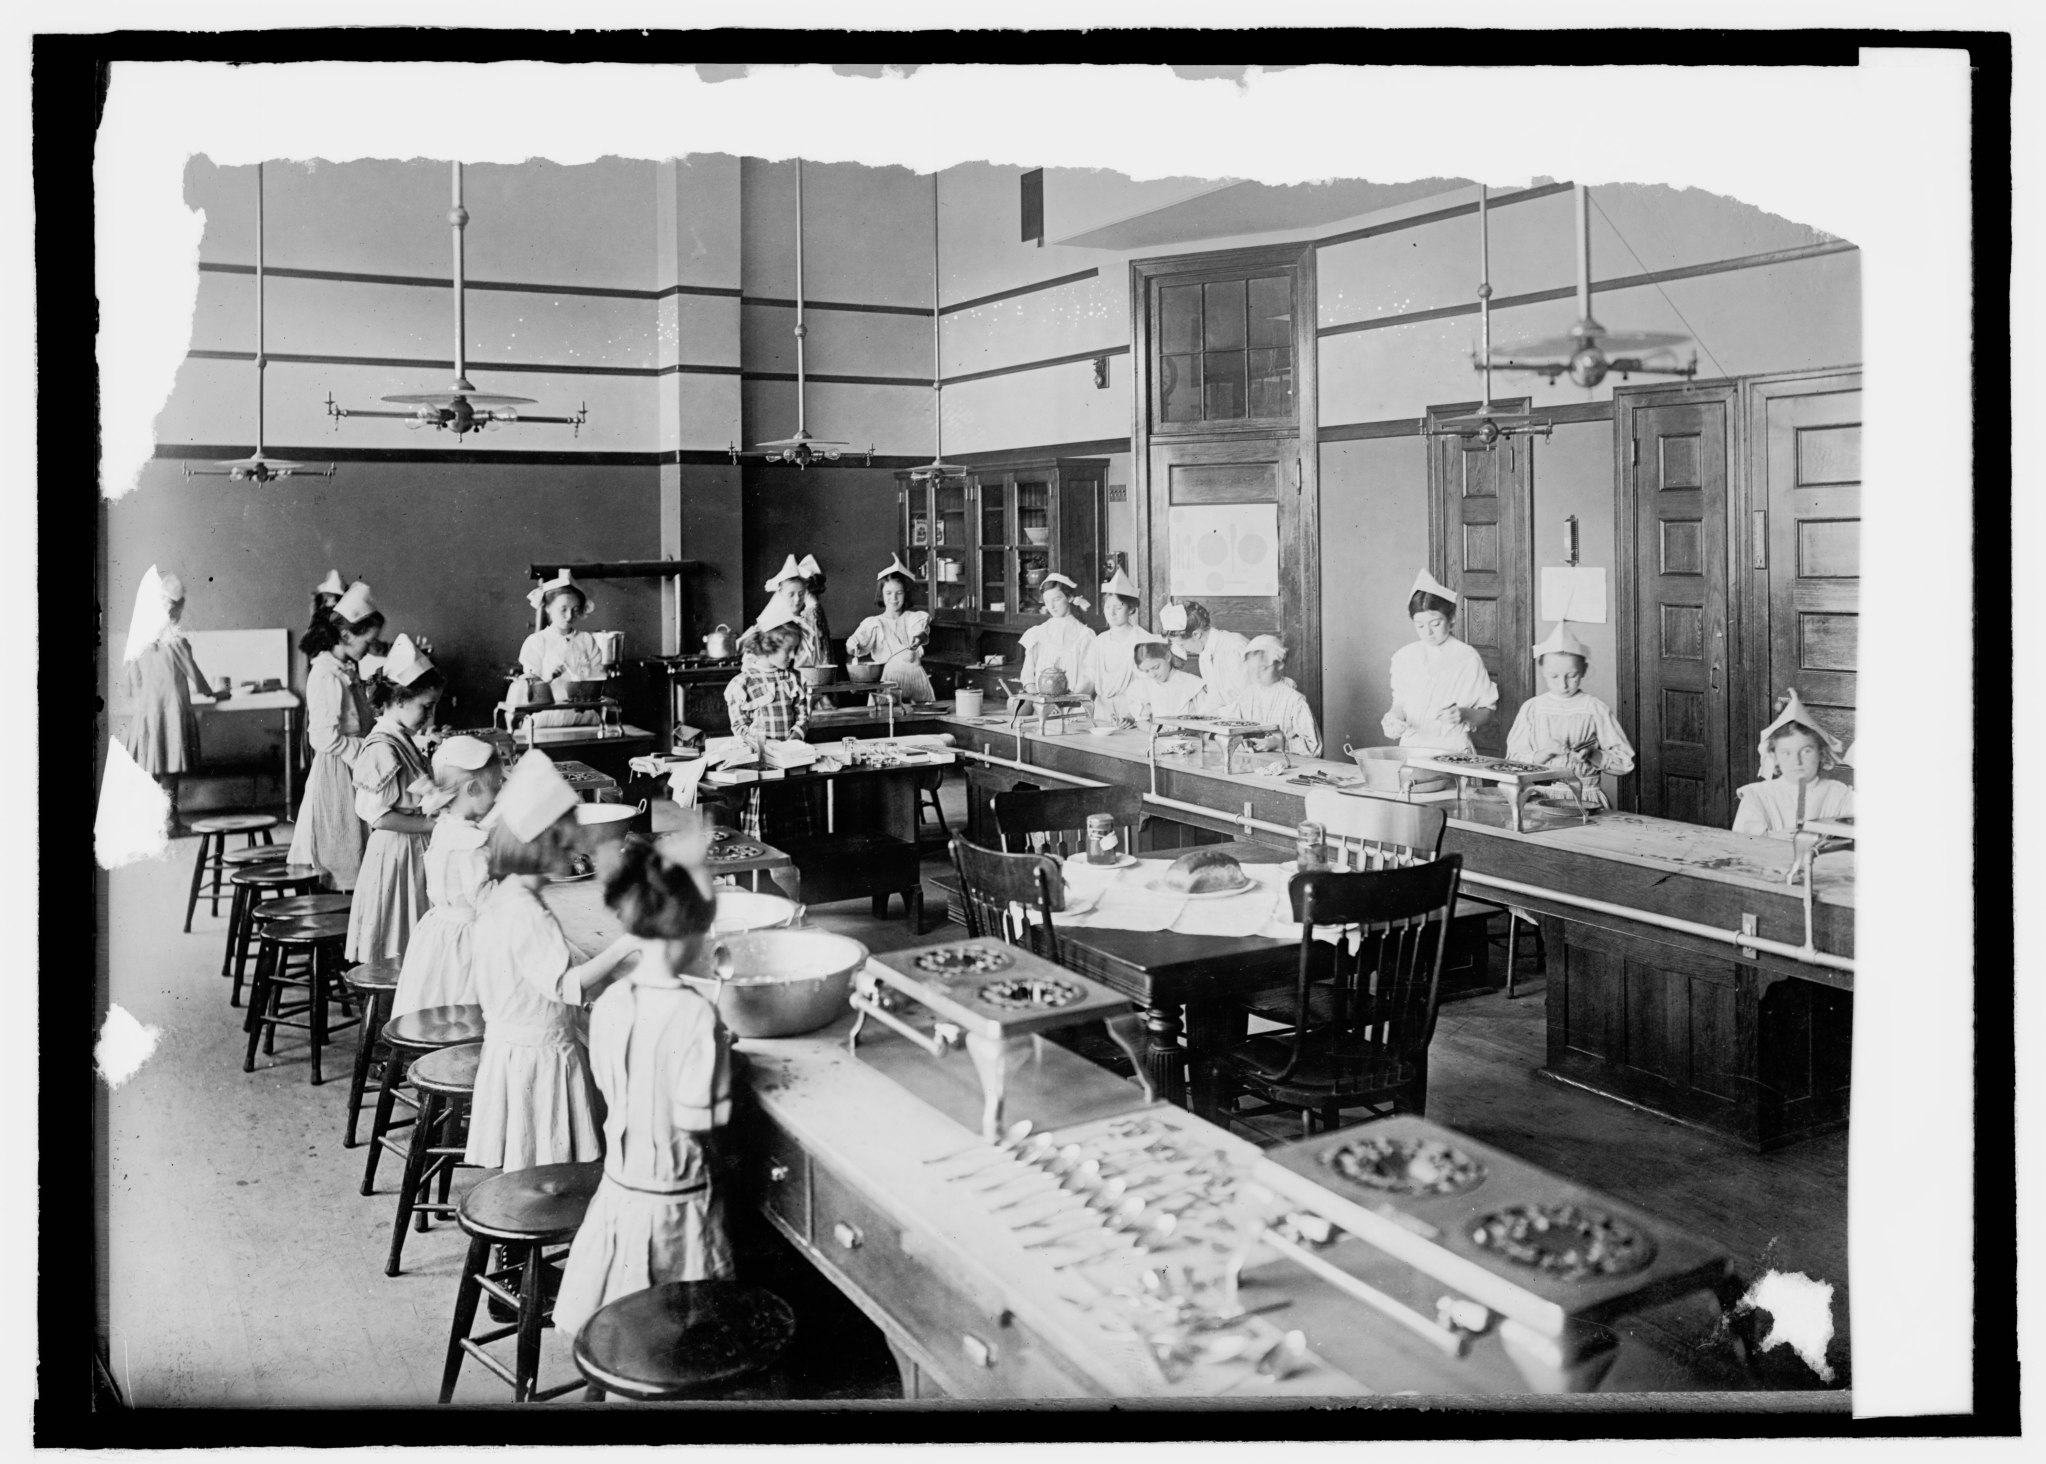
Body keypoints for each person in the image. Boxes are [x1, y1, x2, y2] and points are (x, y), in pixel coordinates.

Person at [551, 823, 737, 1342]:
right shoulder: (697, 1014)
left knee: (629, 1330)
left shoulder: (611, 1002)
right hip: (679, 1203)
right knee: (681, 1338)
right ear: (689, 934)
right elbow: (704, 1123)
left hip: (621, 1191)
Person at [466, 751, 644, 1172]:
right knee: (548, 1162)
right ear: (545, 847)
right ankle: (542, 1216)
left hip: (514, 1048)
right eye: (568, 844)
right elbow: (568, 985)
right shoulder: (527, 911)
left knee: (531, 1156)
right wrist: (628, 944)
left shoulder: (505, 894)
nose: (576, 852)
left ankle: (532, 1208)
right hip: (540, 1054)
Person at [390, 735, 503, 1019]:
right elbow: (485, 901)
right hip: (468, 938)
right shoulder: (471, 842)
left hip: (439, 932)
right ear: (474, 788)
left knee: (439, 1005)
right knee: (468, 1013)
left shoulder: (444, 826)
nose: (497, 796)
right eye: (495, 788)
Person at [347, 635, 441, 965]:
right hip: (396, 855)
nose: (429, 717)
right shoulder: (382, 748)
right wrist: (431, 823)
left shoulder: (401, 737)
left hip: (412, 850)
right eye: (425, 708)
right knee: (399, 947)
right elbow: (379, 816)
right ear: (399, 700)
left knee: (414, 946)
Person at [287, 580, 382, 891]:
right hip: (340, 771)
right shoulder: (326, 674)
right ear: (345, 635)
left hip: (354, 765)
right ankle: (341, 914)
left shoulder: (345, 668)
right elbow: (325, 738)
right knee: (344, 846)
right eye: (367, 641)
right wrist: (366, 752)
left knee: (360, 844)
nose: (370, 648)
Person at [119, 566, 215, 829]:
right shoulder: (177, 641)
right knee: (170, 769)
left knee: (152, 766)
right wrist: (213, 693)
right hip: (172, 711)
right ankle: (170, 820)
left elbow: (130, 682)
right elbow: (195, 676)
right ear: (175, 609)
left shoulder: (139, 640)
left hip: (147, 712)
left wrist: (138, 700)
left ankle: (153, 824)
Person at [1505, 621, 1636, 808]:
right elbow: (1512, 762)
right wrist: (1545, 753)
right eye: (1554, 676)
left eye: (1571, 675)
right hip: (1538, 797)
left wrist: (1593, 754)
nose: (1563, 684)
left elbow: (1625, 763)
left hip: (1585, 799)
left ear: (1584, 670)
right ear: (1542, 671)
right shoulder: (1533, 709)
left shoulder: (1594, 709)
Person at [1381, 570, 1498, 754]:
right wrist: (1394, 718)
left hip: (1452, 749)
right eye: (1420, 626)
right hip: (1412, 748)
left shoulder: (1467, 657)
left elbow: (1487, 711)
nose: (1428, 632)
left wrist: (1464, 713)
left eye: (1435, 624)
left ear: (1451, 618)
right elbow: (1400, 703)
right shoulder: (1405, 657)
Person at [1733, 690, 1854, 837]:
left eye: (1806, 751)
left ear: (1821, 754)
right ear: (1774, 757)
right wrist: (1771, 837)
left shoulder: (1839, 795)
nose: (1796, 761)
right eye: (1786, 753)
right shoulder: (1757, 796)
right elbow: (1743, 841)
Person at [517, 569, 606, 728]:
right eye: (563, 609)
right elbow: (529, 690)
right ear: (548, 608)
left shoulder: (586, 640)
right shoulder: (537, 641)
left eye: (575, 609)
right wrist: (548, 679)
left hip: (584, 718)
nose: (569, 616)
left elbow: (597, 678)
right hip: (545, 719)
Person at [844, 554, 934, 703]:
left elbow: (922, 634)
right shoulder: (874, 623)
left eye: (899, 593)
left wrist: (918, 639)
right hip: (889, 682)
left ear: (906, 594)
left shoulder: (914, 618)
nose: (894, 598)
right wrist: (853, 646)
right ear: (881, 595)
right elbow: (853, 648)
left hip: (917, 679)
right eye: (888, 593)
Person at [1076, 566, 1149, 720]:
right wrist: (1072, 702)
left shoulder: (1143, 640)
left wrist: (1134, 715)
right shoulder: (1099, 641)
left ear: (1131, 609)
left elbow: (1148, 686)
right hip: (1101, 712)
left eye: (1118, 607)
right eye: (1108, 607)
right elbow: (1089, 679)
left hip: (1132, 712)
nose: (1112, 612)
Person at [1159, 599, 1254, 713]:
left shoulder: (1234, 647)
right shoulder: (1204, 655)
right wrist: (1198, 719)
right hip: (1232, 720)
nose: (1182, 649)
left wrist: (1219, 715)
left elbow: (1251, 699)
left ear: (1196, 634)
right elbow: (1215, 696)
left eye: (1182, 645)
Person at [724, 623, 810, 746]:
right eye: (788, 650)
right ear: (768, 648)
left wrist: (795, 737)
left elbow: (802, 716)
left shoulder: (793, 678)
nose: (792, 656)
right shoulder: (742, 683)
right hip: (759, 753)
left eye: (794, 650)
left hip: (791, 752)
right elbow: (739, 725)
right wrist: (763, 743)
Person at [1236, 635, 1322, 756]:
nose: (1257, 675)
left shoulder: (1293, 700)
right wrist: (1242, 742)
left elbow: (1315, 746)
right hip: (1252, 763)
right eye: (1252, 670)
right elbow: (1234, 730)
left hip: (1288, 766)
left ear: (1279, 665)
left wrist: (1280, 743)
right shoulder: (1246, 697)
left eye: (1263, 669)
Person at [1018, 574, 1095, 692]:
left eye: (1056, 599)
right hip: (1041, 706)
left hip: (1074, 706)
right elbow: (1027, 675)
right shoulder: (1038, 633)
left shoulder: (1085, 635)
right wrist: (1037, 699)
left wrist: (1071, 701)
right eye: (1047, 601)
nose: (1051, 606)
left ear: (1069, 598)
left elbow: (1089, 678)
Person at [752, 554, 824, 669]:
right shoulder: (769, 625)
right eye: (791, 594)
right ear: (780, 593)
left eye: (801, 594)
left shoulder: (805, 623)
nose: (797, 600)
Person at [1120, 636, 1215, 721]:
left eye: (1156, 667)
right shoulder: (1146, 686)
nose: (1153, 675)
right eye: (1147, 671)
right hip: (1160, 737)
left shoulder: (1192, 683)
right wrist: (1157, 731)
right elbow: (1141, 721)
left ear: (1168, 657)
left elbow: (1206, 719)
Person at [797, 552, 833, 666]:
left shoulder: (812, 612)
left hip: (815, 662)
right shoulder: (813, 609)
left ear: (805, 588)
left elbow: (816, 646)